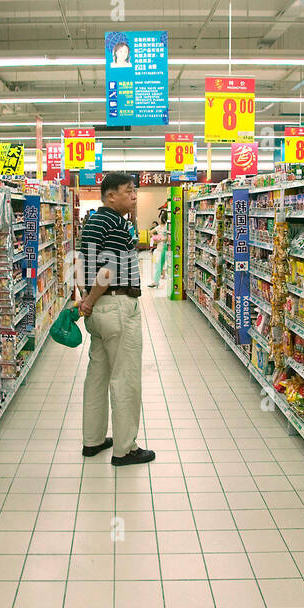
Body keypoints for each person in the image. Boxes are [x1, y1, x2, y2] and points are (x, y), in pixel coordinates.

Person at [77, 172, 154, 466]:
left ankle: (93, 440)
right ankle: (125, 449)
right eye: (128, 190)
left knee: (97, 376)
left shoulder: (93, 222)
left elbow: (85, 264)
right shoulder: (117, 224)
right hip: (117, 307)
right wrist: (92, 299)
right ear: (111, 196)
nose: (133, 195)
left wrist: (86, 301)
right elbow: (107, 270)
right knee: (125, 378)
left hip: (99, 313)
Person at [147, 207, 169, 288]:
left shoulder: (161, 226)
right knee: (159, 264)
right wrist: (160, 238)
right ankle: (156, 281)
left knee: (158, 264)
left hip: (162, 247)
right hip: (163, 247)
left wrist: (156, 237)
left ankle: (156, 281)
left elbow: (150, 232)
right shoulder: (165, 226)